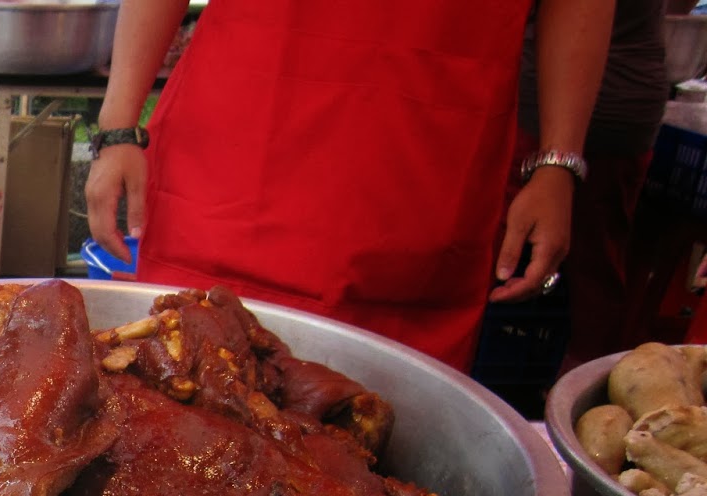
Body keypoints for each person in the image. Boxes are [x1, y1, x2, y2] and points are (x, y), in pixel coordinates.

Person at [85, 0, 614, 371]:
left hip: (425, 176)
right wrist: (117, 127)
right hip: (234, 155)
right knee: (182, 395)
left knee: (388, 449)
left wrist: (559, 161)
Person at [517, 0, 670, 373]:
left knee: (589, 273)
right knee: (589, 269)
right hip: (620, 106)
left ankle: (583, 378)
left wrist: (557, 163)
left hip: (596, 114)